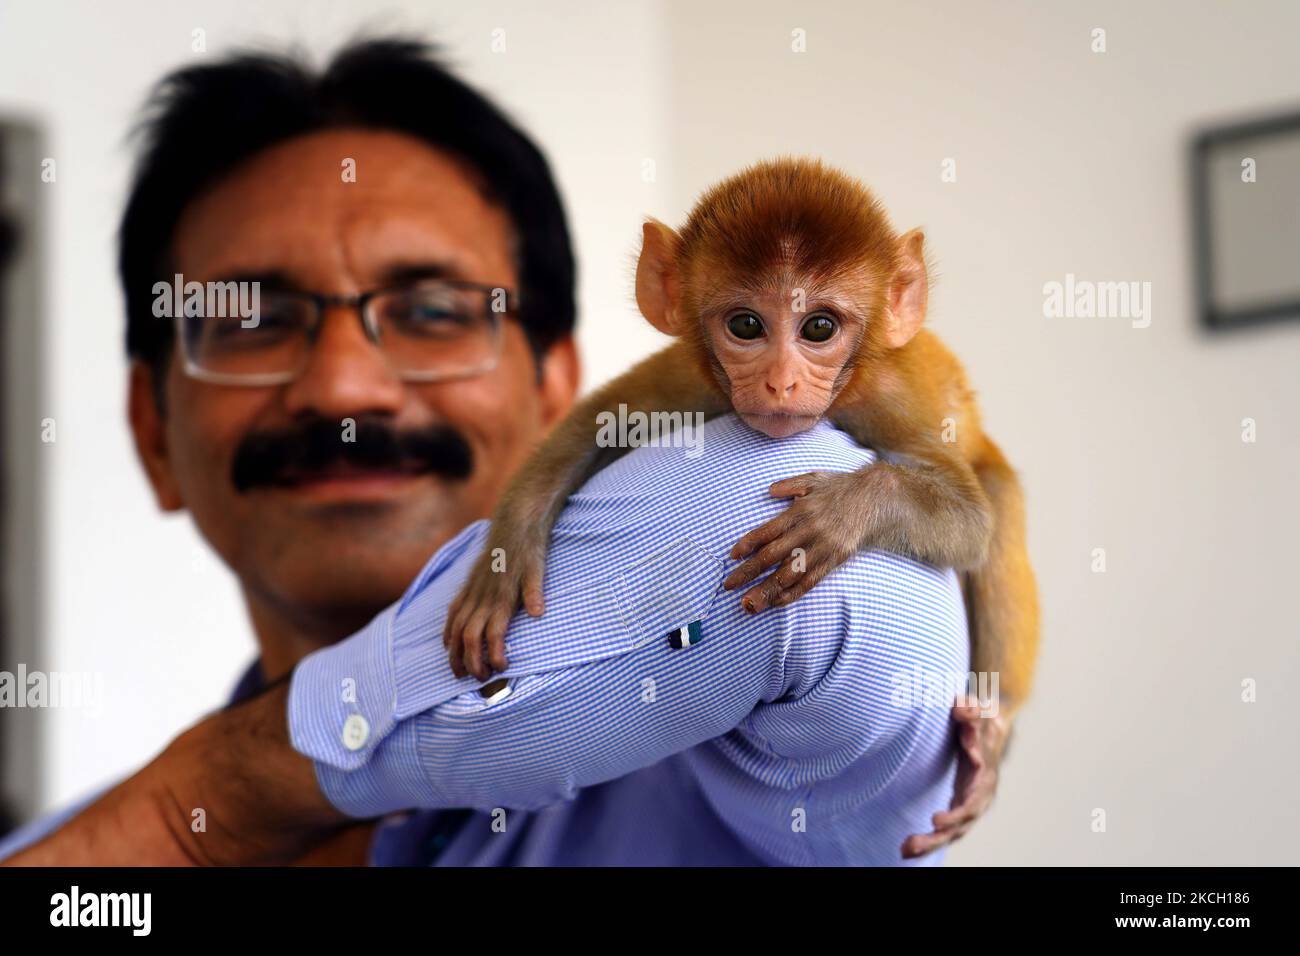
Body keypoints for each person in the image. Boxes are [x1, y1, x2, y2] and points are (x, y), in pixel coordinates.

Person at [0, 36, 1004, 866]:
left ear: (554, 387)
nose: (346, 388)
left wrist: (218, 793)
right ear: (152, 433)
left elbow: (791, 551)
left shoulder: (759, 757)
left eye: (434, 310)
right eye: (255, 321)